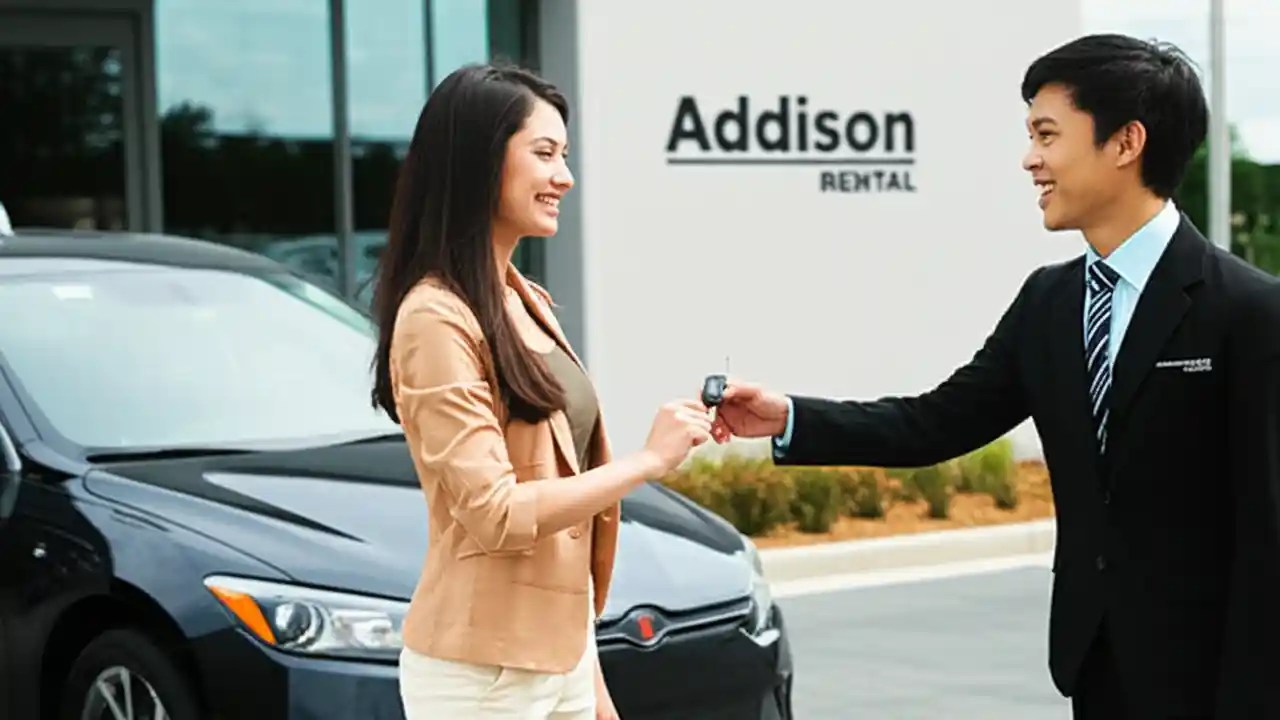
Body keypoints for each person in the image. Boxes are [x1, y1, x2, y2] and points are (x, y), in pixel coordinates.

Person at [710, 33, 1280, 719]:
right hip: (1095, 665)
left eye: (1047, 134)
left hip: (1215, 677)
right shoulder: (1049, 301)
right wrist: (792, 418)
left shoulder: (1248, 311)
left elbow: (1268, 537)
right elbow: (936, 421)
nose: (1029, 159)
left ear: (1126, 143)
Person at [369, 63, 713, 719]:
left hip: (558, 658)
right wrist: (648, 462)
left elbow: (566, 525)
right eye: (544, 153)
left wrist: (591, 680)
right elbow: (495, 514)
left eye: (566, 155)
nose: (565, 177)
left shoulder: (524, 299)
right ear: (479, 161)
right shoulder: (435, 318)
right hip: (483, 677)